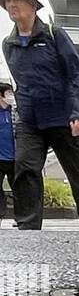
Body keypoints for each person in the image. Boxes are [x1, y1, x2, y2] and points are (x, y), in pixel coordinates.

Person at [1, 0, 79, 232]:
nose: (12, 5)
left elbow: (77, 75)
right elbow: (20, 82)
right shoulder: (9, 43)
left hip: (64, 117)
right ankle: (28, 225)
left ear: (33, 6)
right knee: (24, 168)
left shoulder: (54, 34)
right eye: (8, 1)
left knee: (78, 174)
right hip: (30, 120)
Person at [0, 83, 14, 225]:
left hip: (15, 157)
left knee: (19, 188)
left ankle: (21, 216)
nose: (11, 96)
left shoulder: (14, 112)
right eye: (9, 93)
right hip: (0, 157)